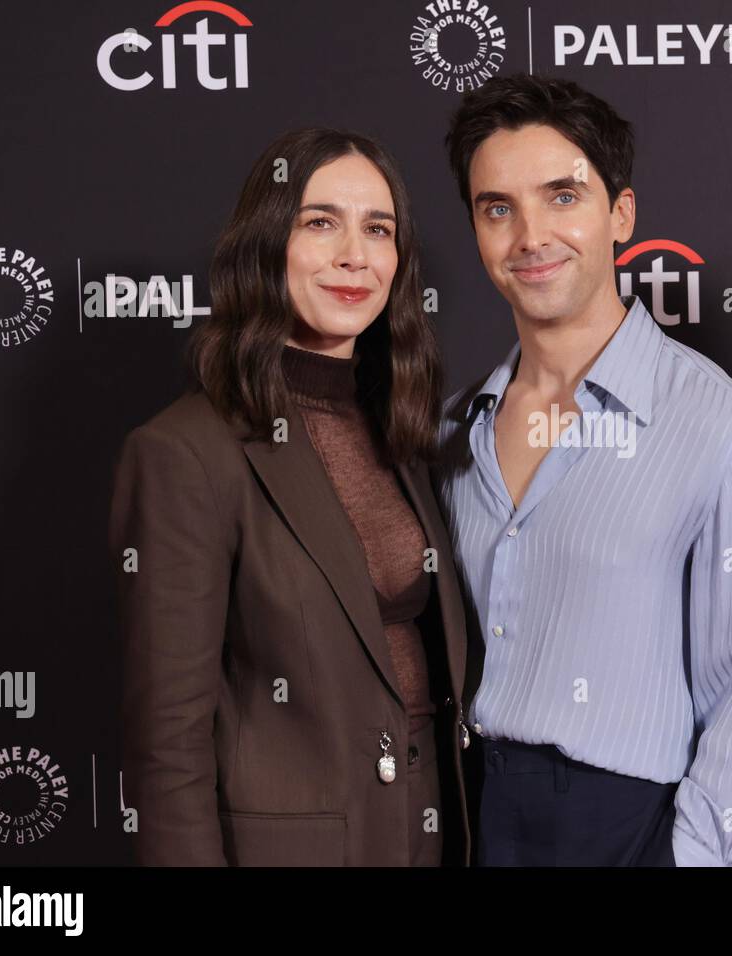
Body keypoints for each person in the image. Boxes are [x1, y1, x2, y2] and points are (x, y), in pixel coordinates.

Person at [434, 73, 732, 867]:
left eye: (562, 196)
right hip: (476, 814)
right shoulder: (452, 430)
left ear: (622, 214)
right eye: (497, 207)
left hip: (632, 828)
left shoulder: (726, 430)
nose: (530, 234)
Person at [110, 128, 474, 866]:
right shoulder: (185, 451)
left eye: (378, 229)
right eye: (320, 223)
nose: (354, 255)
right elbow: (168, 743)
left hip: (424, 829)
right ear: (265, 243)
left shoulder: (397, 424)